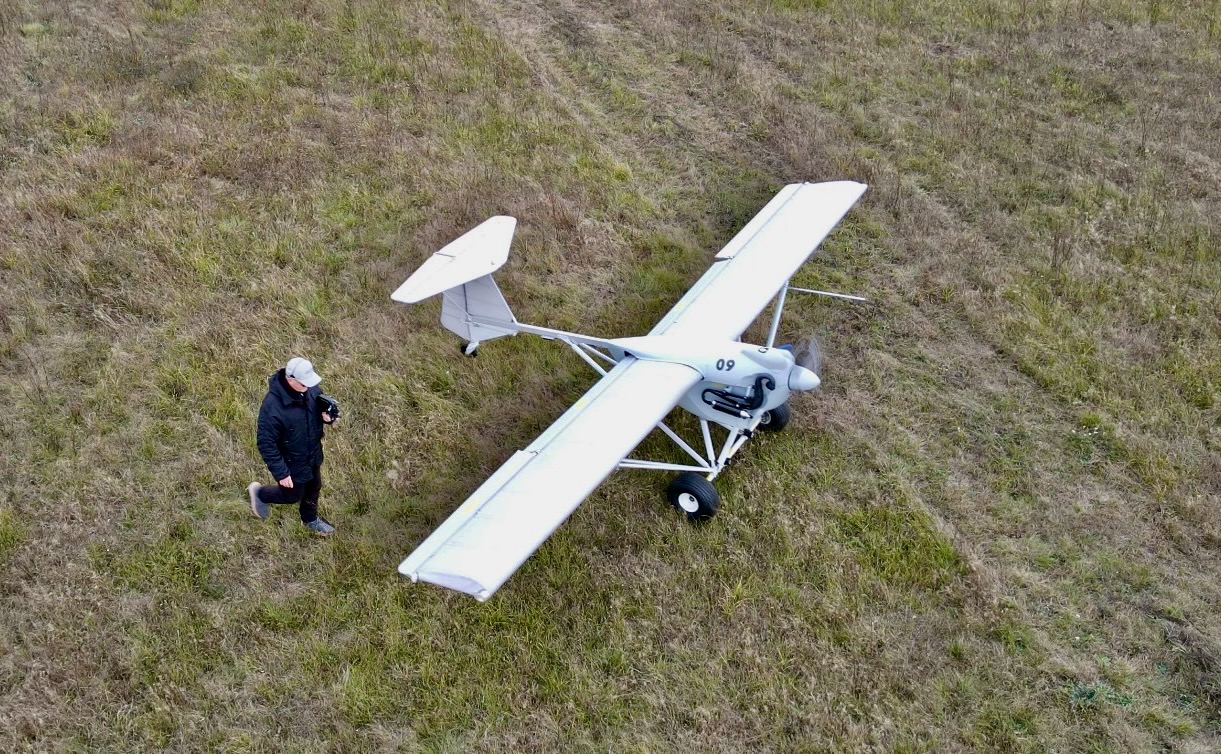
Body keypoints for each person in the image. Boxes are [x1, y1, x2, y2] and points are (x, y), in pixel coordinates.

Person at [247, 357, 339, 535]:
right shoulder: (272, 408)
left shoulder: (310, 389)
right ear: (291, 380)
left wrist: (326, 418)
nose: (308, 386)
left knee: (314, 486)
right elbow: (266, 443)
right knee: (292, 495)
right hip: (291, 462)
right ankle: (259, 493)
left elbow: (315, 411)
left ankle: (310, 519)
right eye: (304, 383)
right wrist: (281, 473)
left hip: (312, 454)